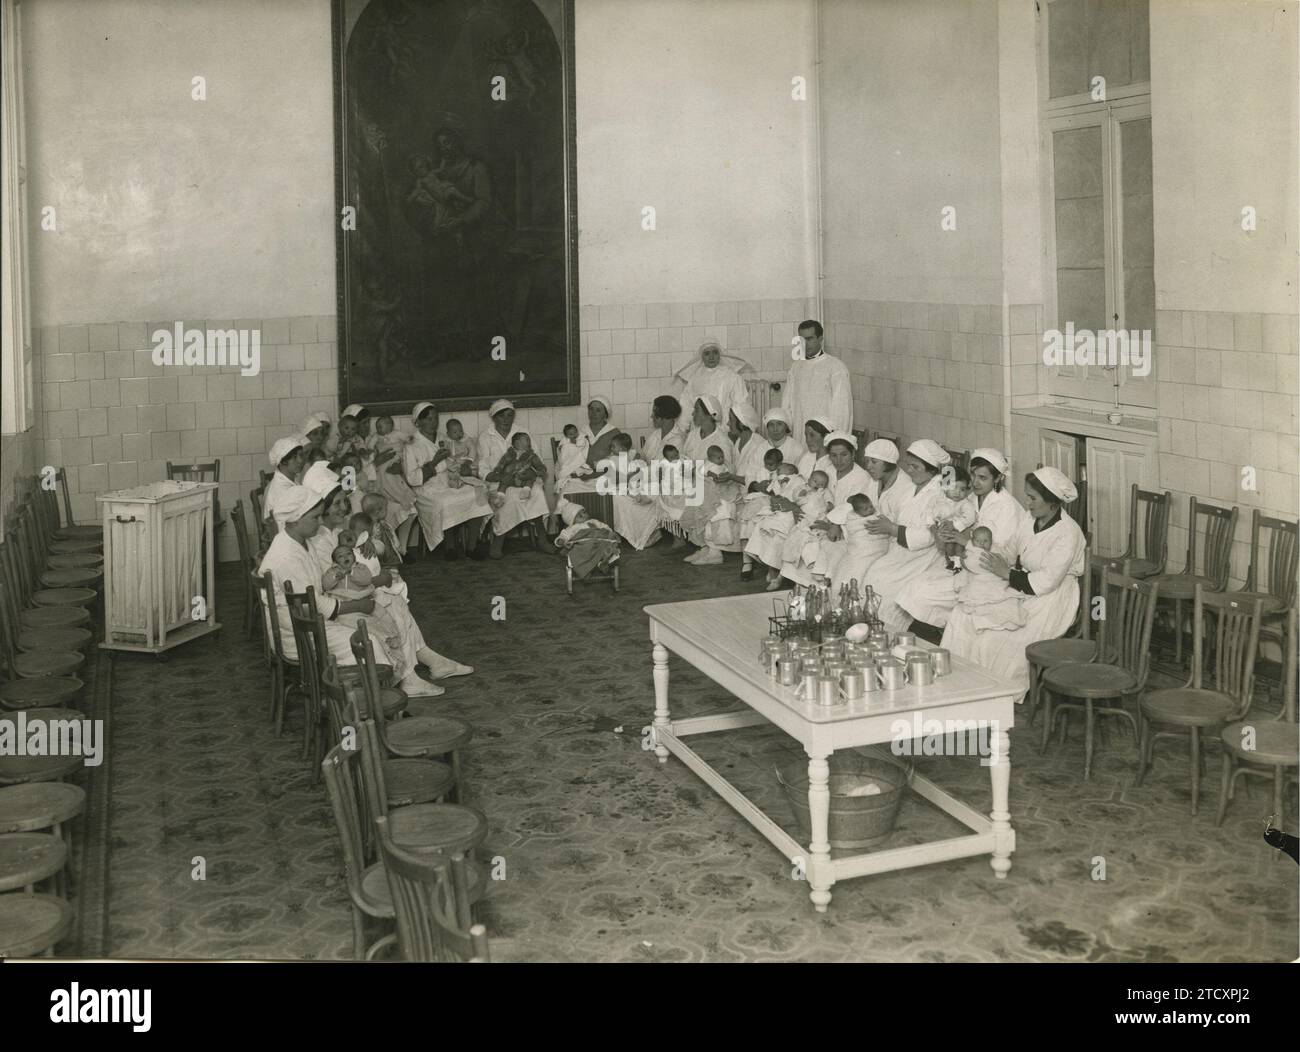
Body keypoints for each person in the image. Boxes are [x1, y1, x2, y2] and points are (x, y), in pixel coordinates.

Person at [306, 464, 472, 697]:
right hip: (342, 608)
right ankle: (408, 677)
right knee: (391, 601)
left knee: (394, 599)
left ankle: (431, 661)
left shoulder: (333, 532)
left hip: (352, 594)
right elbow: (337, 584)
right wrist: (375, 581)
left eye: (345, 501)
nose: (344, 508)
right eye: (337, 504)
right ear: (320, 508)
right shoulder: (320, 541)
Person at [941, 467, 1087, 699]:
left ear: (1052, 502)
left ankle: (994, 692)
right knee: (965, 616)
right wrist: (990, 554)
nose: (1027, 503)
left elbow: (1047, 582)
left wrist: (1006, 574)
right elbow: (1011, 549)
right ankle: (959, 683)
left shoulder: (1068, 533)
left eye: (1032, 498)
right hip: (1022, 583)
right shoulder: (1032, 519)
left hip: (1052, 597)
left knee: (1001, 638)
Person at [895, 447, 1026, 639]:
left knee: (922, 592)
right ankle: (940, 631)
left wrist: (963, 539)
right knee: (915, 585)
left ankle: (944, 633)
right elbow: (944, 496)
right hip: (962, 562)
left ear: (998, 479)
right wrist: (939, 527)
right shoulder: (969, 495)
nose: (974, 482)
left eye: (983, 478)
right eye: (973, 475)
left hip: (989, 574)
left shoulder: (1007, 508)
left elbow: (1003, 555)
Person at [257, 484, 388, 671]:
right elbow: (311, 603)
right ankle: (361, 696)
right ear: (295, 519)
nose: (320, 522)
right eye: (315, 517)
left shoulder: (301, 541)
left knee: (374, 628)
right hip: (299, 634)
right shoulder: (287, 556)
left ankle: (360, 693)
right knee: (369, 642)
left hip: (307, 621)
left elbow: (315, 588)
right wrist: (357, 606)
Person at [865, 439, 951, 633]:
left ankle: (886, 634)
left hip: (924, 556)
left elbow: (930, 536)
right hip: (902, 550)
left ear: (931, 470)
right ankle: (870, 629)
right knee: (874, 574)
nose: (909, 470)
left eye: (915, 466)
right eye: (908, 465)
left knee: (885, 588)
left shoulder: (939, 494)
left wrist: (893, 529)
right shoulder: (913, 486)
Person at [780, 433, 871, 586]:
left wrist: (833, 525)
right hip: (820, 517)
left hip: (846, 530)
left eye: (844, 455)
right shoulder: (828, 471)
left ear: (853, 454)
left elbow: (857, 512)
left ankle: (816, 587)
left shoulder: (862, 478)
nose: (838, 460)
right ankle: (798, 582)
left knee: (815, 545)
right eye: (833, 455)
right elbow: (810, 490)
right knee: (794, 530)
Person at [404, 401, 491, 560]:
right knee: (445, 502)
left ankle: (472, 546)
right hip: (427, 488)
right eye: (429, 419)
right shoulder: (411, 445)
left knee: (477, 493)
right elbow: (412, 478)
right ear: (418, 422)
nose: (433, 423)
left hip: (451, 480)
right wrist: (434, 462)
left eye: (435, 418)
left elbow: (460, 455)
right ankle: (449, 547)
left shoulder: (444, 438)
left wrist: (465, 465)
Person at [610, 395, 684, 551]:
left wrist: (638, 473)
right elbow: (643, 457)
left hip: (664, 483)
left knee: (628, 494)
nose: (651, 417)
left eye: (654, 413)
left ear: (663, 416)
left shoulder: (677, 439)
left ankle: (648, 533)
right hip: (645, 478)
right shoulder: (656, 435)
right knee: (615, 493)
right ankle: (640, 533)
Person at [478, 399, 549, 557]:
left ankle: (543, 539)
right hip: (500, 482)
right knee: (507, 498)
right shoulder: (486, 436)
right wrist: (498, 475)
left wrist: (531, 473)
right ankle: (498, 541)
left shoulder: (522, 431)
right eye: (501, 416)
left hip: (525, 479)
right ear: (494, 418)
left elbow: (536, 457)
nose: (505, 420)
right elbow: (482, 465)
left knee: (537, 493)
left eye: (509, 416)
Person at [674, 396, 737, 565]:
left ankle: (715, 552)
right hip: (696, 481)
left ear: (709, 414)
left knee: (705, 501)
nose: (693, 413)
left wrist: (699, 472)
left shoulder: (721, 440)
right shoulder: (694, 434)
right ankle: (704, 547)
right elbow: (685, 457)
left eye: (697, 410)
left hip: (717, 487)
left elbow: (725, 471)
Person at [782, 320, 852, 436]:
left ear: (820, 339)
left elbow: (842, 409)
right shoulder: (796, 367)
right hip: (800, 434)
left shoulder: (836, 367)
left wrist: (835, 440)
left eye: (809, 339)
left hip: (824, 436)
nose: (805, 344)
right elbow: (787, 404)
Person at [951, 527, 1026, 631]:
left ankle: (1002, 616)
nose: (982, 544)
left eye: (986, 541)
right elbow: (971, 563)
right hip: (979, 577)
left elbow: (1001, 558)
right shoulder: (971, 551)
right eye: (978, 541)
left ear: (991, 541)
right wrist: (964, 561)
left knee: (997, 593)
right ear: (973, 541)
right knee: (976, 591)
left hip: (993, 576)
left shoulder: (994, 549)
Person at [678, 340, 749, 429]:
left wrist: (739, 428)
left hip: (725, 426)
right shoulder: (695, 378)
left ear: (719, 355)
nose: (711, 357)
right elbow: (686, 405)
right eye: (707, 353)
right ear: (702, 357)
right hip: (700, 427)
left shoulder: (731, 376)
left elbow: (741, 403)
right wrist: (683, 428)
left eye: (715, 352)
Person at [371, 413, 418, 544]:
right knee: (389, 510)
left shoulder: (395, 435)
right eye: (377, 427)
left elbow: (405, 443)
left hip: (392, 469)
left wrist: (400, 468)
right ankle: (390, 547)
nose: (379, 429)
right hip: (375, 487)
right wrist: (376, 462)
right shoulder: (372, 441)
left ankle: (402, 547)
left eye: (381, 426)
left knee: (410, 510)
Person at [262, 434, 308, 540]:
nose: (301, 461)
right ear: (283, 461)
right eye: (295, 457)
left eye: (301, 456)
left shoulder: (291, 480)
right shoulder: (281, 489)